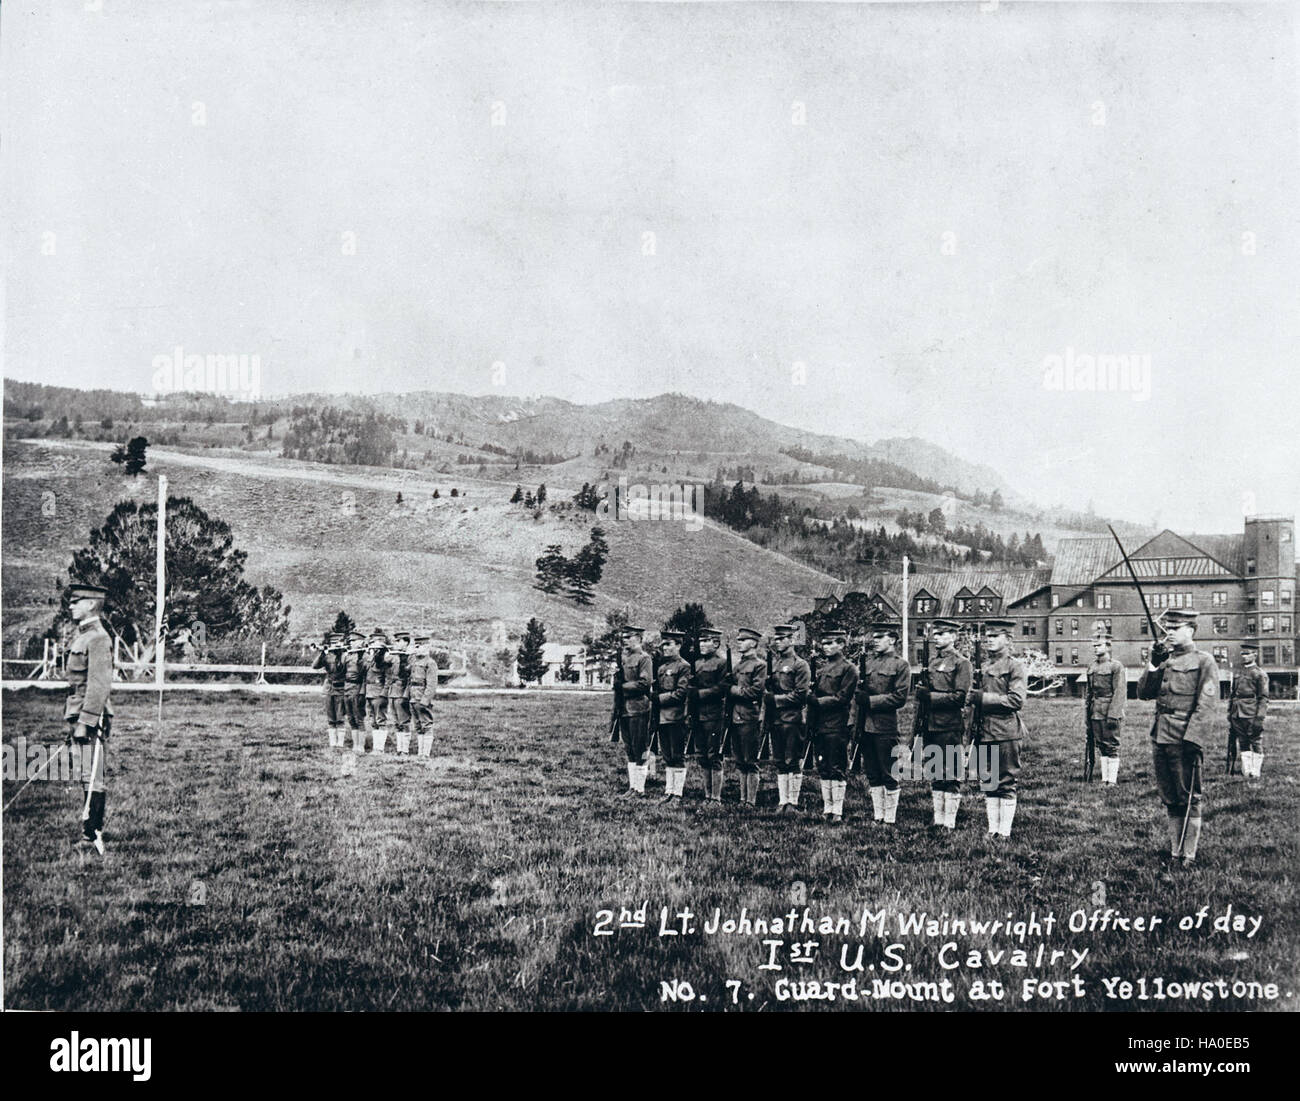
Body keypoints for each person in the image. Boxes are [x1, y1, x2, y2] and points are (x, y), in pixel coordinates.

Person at [1137, 609, 1220, 866]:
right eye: (1167, 629)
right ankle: (1175, 851)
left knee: (1189, 796)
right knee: (1170, 796)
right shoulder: (1165, 660)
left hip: (1184, 738)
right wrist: (1153, 663)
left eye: (1175, 629)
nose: (1169, 634)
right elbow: (1144, 692)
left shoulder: (1204, 661)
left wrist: (1194, 739)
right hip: (1161, 735)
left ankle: (1190, 854)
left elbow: (1206, 704)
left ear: (1191, 630)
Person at [63, 583, 114, 854]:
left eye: (77, 601)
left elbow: (98, 685)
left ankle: (91, 836)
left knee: (93, 776)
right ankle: (88, 831)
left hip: (90, 719)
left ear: (92, 604)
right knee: (85, 774)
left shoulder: (98, 638)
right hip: (78, 714)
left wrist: (86, 721)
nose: (71, 606)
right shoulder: (83, 636)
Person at [967, 620, 1027, 839]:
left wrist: (983, 698)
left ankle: (1005, 831)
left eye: (995, 636)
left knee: (1006, 781)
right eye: (988, 636)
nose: (989, 640)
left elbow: (1016, 700)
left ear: (1008, 639)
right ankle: (993, 829)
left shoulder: (1015, 666)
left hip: (1005, 731)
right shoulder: (982, 668)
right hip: (984, 730)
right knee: (988, 781)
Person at [914, 619, 971, 830]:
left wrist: (930, 697)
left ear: (953, 637)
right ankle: (938, 818)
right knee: (936, 773)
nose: (936, 637)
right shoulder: (931, 663)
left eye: (941, 633)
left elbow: (959, 697)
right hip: (930, 725)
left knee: (951, 773)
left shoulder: (961, 663)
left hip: (949, 725)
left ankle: (950, 820)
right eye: (935, 634)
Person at [855, 619, 911, 826]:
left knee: (889, 772)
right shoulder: (868, 664)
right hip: (865, 725)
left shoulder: (900, 665)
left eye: (880, 637)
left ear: (893, 640)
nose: (874, 641)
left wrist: (870, 701)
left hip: (885, 726)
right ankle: (878, 815)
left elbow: (899, 697)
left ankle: (890, 817)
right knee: (872, 773)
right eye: (874, 637)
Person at [809, 630, 859, 823]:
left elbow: (842, 698)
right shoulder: (821, 669)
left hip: (837, 723)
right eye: (824, 643)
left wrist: (817, 702)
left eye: (830, 643)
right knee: (823, 766)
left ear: (841, 644)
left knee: (837, 766)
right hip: (820, 724)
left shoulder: (849, 669)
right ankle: (827, 808)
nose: (826, 647)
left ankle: (837, 810)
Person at [767, 624, 812, 814]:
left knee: (792, 760)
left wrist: (775, 699)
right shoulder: (776, 664)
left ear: (792, 640)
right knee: (779, 760)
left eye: (782, 638)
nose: (778, 642)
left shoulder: (800, 664)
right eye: (776, 639)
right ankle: (782, 801)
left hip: (792, 718)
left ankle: (793, 801)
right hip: (776, 719)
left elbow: (801, 694)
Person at [727, 628, 767, 807]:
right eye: (739, 640)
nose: (739, 643)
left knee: (750, 760)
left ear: (753, 643)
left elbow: (756, 691)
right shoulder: (738, 665)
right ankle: (742, 798)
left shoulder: (760, 665)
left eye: (743, 640)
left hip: (749, 716)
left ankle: (751, 800)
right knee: (740, 759)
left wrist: (734, 690)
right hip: (735, 715)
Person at [654, 632, 693, 804]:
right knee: (667, 755)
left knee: (677, 756)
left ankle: (677, 793)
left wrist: (659, 698)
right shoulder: (662, 668)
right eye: (663, 645)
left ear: (678, 645)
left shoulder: (684, 666)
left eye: (669, 644)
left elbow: (681, 692)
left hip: (677, 716)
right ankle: (668, 790)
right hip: (662, 717)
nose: (665, 648)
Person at [691, 628, 729, 804]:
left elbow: (721, 688)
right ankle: (708, 794)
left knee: (714, 755)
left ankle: (716, 797)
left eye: (706, 641)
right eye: (700, 641)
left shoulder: (722, 663)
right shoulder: (697, 663)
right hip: (698, 714)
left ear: (716, 643)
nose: (702, 645)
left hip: (714, 714)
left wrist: (699, 694)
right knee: (701, 755)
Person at [1085, 629, 1126, 785]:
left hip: (1109, 711)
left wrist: (1113, 714)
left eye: (1099, 645)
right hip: (1095, 712)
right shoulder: (1091, 667)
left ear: (1108, 646)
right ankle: (1105, 779)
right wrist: (1087, 715)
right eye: (1094, 645)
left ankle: (1112, 780)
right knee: (1100, 745)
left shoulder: (1116, 666)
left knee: (1111, 745)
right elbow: (1089, 694)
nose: (1095, 647)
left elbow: (1120, 692)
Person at [617, 626, 655, 797]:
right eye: (624, 637)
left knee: (639, 748)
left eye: (629, 637)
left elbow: (645, 683)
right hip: (624, 709)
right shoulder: (625, 658)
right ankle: (632, 787)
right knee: (629, 749)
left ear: (639, 639)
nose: (625, 640)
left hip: (639, 708)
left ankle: (640, 788)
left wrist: (623, 687)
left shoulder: (644, 658)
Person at [1229, 641, 1268, 779]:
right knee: (1242, 741)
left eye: (1247, 654)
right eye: (1242, 654)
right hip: (1236, 712)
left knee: (1255, 741)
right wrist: (1230, 712)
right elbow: (1233, 694)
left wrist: (1259, 718)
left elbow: (1263, 698)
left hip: (1251, 712)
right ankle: (1247, 770)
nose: (1244, 656)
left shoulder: (1259, 674)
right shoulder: (1238, 672)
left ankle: (1255, 772)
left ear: (1254, 655)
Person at [312, 633, 347, 749]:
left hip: (341, 688)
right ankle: (333, 743)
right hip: (329, 689)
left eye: (337, 642)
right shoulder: (327, 656)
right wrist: (322, 653)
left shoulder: (344, 655)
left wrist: (339, 653)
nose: (335, 645)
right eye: (333, 643)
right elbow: (315, 666)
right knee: (331, 718)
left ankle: (340, 743)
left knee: (340, 717)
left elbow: (340, 668)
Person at [408, 633, 437, 757]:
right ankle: (420, 752)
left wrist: (425, 700)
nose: (416, 649)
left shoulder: (430, 663)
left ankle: (426, 753)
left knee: (426, 725)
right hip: (413, 697)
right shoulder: (414, 661)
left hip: (421, 698)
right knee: (418, 726)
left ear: (426, 647)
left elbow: (431, 685)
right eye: (416, 646)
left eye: (419, 646)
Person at [363, 630, 390, 749]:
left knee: (380, 721)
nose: (373, 646)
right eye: (372, 642)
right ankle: (376, 746)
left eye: (376, 643)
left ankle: (380, 748)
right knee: (373, 721)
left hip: (379, 693)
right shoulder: (370, 658)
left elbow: (388, 677)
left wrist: (384, 694)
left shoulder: (383, 658)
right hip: (369, 693)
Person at [386, 631, 412, 755]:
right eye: (396, 641)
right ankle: (400, 748)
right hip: (393, 691)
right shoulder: (395, 656)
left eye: (399, 641)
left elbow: (410, 677)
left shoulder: (411, 656)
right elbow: (382, 663)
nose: (396, 643)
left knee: (404, 721)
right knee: (396, 722)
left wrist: (406, 694)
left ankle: (405, 750)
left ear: (406, 642)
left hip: (403, 691)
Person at [343, 631, 368, 753]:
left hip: (358, 688)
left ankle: (361, 746)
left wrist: (362, 692)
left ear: (361, 642)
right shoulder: (348, 655)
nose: (351, 643)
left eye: (354, 641)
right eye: (351, 641)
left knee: (359, 718)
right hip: (347, 688)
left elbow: (365, 675)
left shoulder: (365, 656)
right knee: (351, 718)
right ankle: (355, 745)